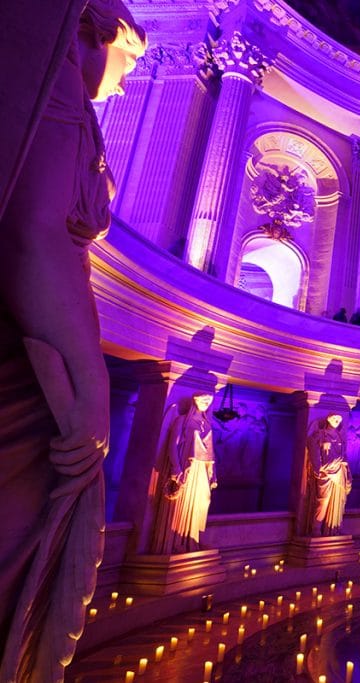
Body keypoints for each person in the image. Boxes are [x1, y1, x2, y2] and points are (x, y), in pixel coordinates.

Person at [0, 2, 146, 679]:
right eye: (130, 60)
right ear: (95, 29)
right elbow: (35, 230)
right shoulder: (52, 78)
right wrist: (94, 386)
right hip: (37, 359)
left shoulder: (67, 93)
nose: (124, 82)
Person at [151, 393, 217, 554]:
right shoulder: (182, 421)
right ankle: (176, 541)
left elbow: (211, 452)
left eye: (209, 401)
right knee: (181, 504)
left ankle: (192, 540)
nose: (206, 403)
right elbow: (173, 445)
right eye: (203, 399)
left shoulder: (207, 424)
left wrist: (213, 472)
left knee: (201, 503)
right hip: (187, 468)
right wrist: (176, 467)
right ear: (195, 401)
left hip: (202, 470)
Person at [304, 413, 352, 536]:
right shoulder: (319, 435)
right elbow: (313, 452)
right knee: (323, 501)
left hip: (340, 472)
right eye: (334, 418)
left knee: (338, 501)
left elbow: (344, 456)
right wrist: (318, 468)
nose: (337, 421)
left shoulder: (340, 437)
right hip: (326, 473)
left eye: (339, 419)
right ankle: (316, 527)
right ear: (328, 419)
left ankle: (333, 528)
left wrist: (348, 474)